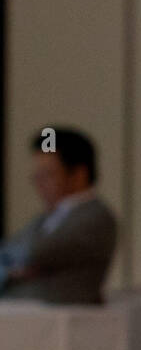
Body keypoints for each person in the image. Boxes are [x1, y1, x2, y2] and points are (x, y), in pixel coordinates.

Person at [0, 128, 116, 305]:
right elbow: (12, 249)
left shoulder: (96, 217)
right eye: (37, 176)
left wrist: (16, 265)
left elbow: (38, 252)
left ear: (78, 174)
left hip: (59, 311)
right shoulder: (47, 217)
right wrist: (14, 268)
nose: (38, 184)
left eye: (47, 174)